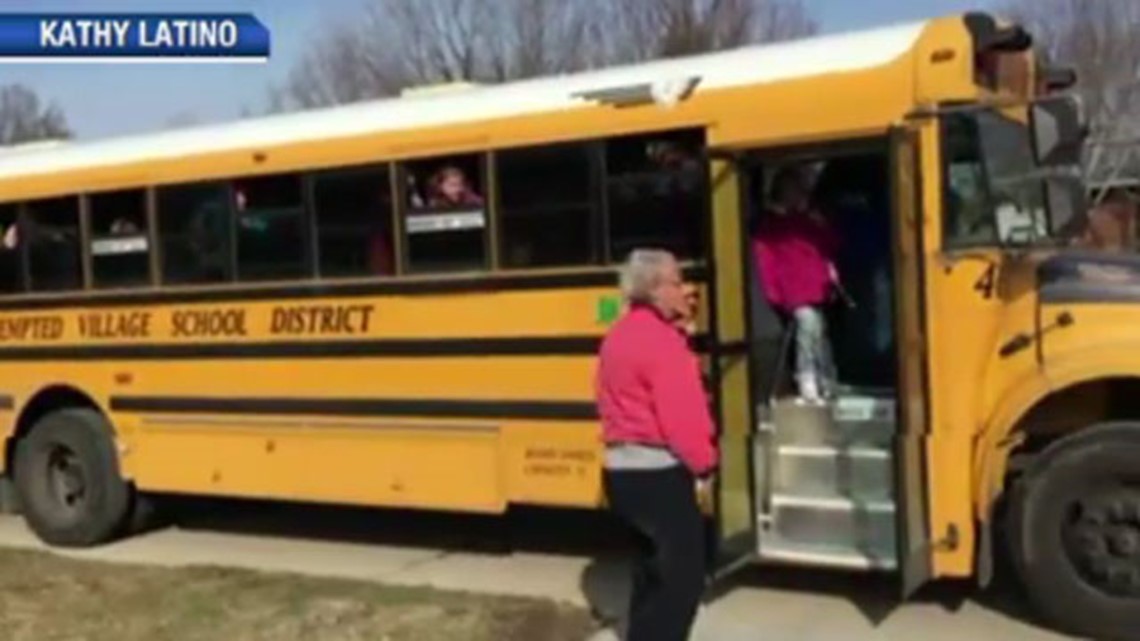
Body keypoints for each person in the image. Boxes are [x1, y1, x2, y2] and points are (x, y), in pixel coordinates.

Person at [595, 249, 718, 641]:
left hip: (621, 475)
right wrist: (705, 465)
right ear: (654, 289)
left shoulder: (617, 336)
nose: (686, 289)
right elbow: (684, 418)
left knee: (649, 580)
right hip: (658, 477)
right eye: (677, 281)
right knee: (681, 586)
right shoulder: (662, 343)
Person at [753, 166, 840, 404]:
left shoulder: (808, 221)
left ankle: (826, 378)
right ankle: (808, 378)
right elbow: (765, 260)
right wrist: (773, 293)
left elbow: (829, 246)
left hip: (815, 287)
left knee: (819, 332)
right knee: (809, 327)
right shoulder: (771, 225)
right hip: (792, 289)